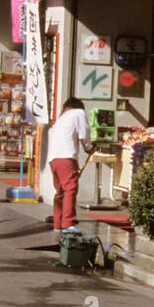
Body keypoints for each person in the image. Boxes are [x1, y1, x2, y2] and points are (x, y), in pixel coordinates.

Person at [48, 97, 94, 231]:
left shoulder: (60, 119)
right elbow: (84, 133)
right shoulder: (78, 113)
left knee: (60, 191)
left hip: (53, 159)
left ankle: (58, 224)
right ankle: (68, 224)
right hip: (66, 157)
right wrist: (88, 148)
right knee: (70, 189)